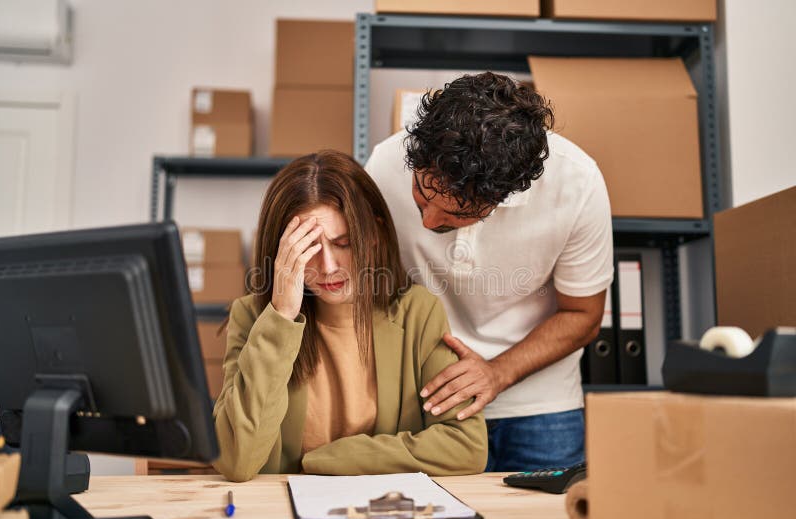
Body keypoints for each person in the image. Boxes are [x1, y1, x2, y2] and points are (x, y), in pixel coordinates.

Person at [365, 72, 613, 472]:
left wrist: (497, 373)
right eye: (422, 193)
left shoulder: (578, 184)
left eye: (455, 213)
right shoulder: (384, 164)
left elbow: (583, 315)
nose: (427, 221)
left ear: (506, 193)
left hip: (539, 408)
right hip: (425, 399)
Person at [212, 150, 487, 482]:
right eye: (309, 249)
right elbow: (235, 460)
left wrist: (329, 460)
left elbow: (466, 446)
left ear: (371, 235)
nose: (328, 267)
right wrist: (281, 316)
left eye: (343, 243)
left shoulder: (418, 312)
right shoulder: (253, 317)